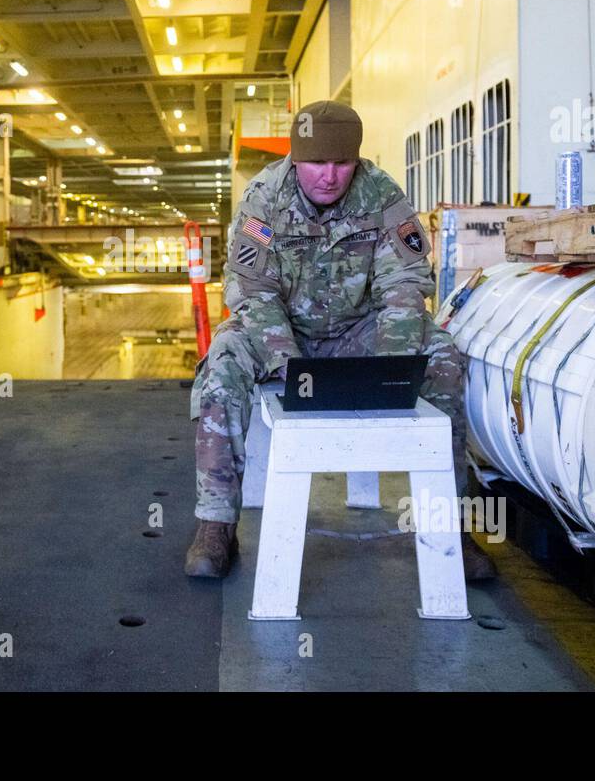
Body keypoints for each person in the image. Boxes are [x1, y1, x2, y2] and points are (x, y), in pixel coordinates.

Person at [183, 100, 496, 580]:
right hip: (280, 332)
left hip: (356, 332)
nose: (329, 176)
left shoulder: (381, 194)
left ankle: (445, 523)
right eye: (316, 163)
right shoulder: (264, 197)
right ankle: (216, 524)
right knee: (223, 359)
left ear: (356, 160)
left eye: (341, 163)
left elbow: (405, 283)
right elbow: (252, 291)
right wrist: (291, 368)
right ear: (294, 157)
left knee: (442, 355)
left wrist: (390, 370)